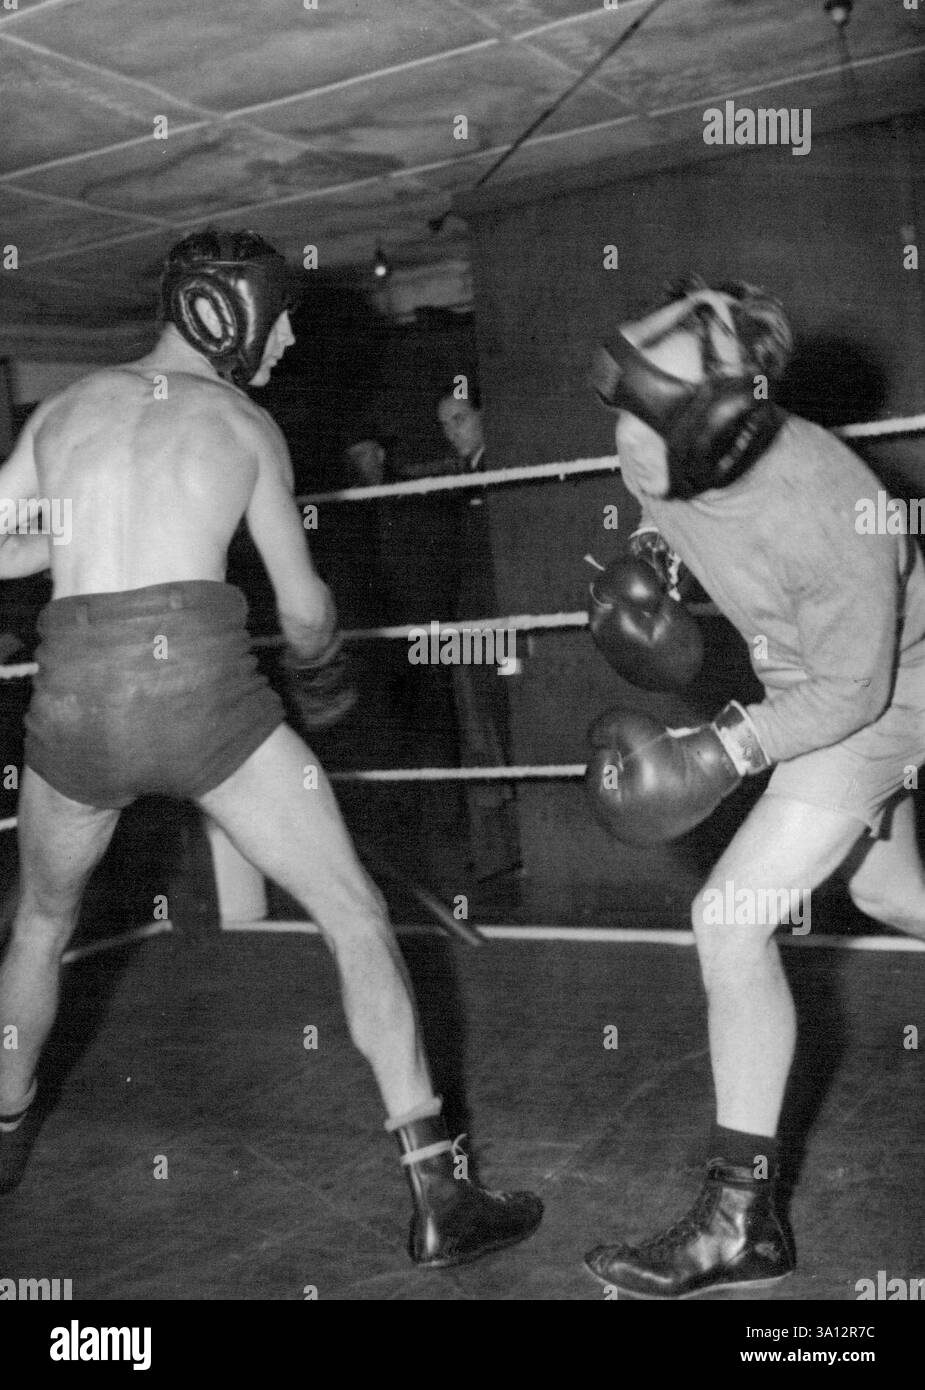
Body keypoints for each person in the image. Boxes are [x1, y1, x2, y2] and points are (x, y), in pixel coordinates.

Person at [0, 228, 542, 1268]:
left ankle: (7, 1134)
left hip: (75, 698)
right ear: (230, 313)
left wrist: (72, 544)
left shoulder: (64, 410)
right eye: (281, 312)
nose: (289, 334)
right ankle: (437, 1189)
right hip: (205, 693)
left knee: (38, 922)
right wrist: (325, 674)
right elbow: (300, 611)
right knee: (352, 912)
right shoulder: (240, 422)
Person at [583, 276, 925, 1298]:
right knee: (884, 891)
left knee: (729, 917)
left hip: (881, 695)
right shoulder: (655, 433)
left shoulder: (832, 509)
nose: (620, 443)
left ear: (710, 435)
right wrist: (649, 558)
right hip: (817, 676)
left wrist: (724, 749)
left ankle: (741, 1222)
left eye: (640, 423)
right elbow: (667, 508)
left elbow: (849, 695)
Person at [436, 388, 520, 882]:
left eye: (460, 419)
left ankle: (518, 847)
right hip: (471, 626)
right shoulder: (463, 479)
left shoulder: (500, 474)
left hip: (498, 623)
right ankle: (500, 851)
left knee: (505, 726)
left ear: (487, 416)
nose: (453, 433)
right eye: (446, 424)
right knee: (481, 729)